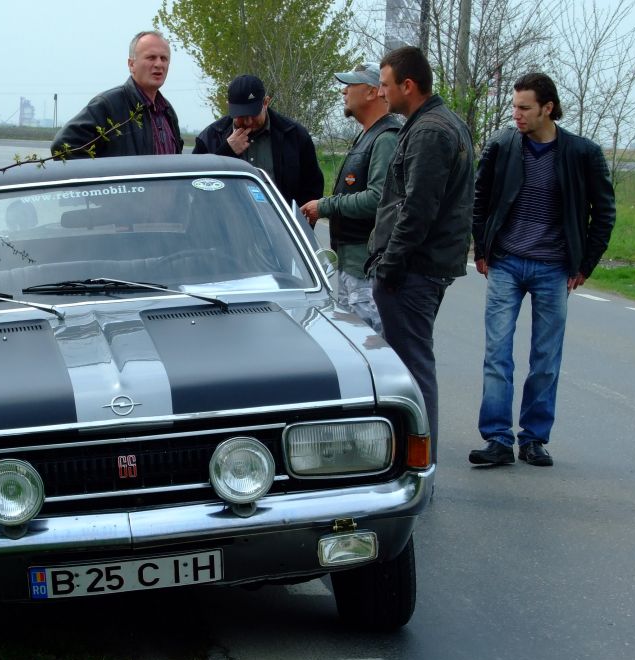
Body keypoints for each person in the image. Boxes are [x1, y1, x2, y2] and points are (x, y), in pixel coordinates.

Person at [469, 73, 616, 468]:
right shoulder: (502, 146)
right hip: (506, 263)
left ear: (547, 108)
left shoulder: (582, 154)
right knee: (497, 354)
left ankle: (533, 439)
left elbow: (604, 213)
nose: (516, 114)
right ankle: (498, 439)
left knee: (546, 357)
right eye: (514, 107)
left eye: (524, 108)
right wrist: (482, 248)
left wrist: (585, 265)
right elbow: (479, 199)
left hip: (554, 268)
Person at [367, 46, 474, 464]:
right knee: (413, 362)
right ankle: (415, 457)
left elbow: (417, 210)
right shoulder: (440, 123)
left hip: (414, 270)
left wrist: (389, 265)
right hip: (422, 267)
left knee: (412, 368)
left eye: (386, 84)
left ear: (407, 86)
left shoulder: (429, 131)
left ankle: (418, 462)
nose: (382, 91)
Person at [301, 62, 399, 333]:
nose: (344, 92)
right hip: (351, 267)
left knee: (368, 345)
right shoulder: (366, 136)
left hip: (365, 269)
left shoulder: (386, 138)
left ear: (371, 92)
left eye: (350, 85)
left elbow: (379, 198)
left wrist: (325, 206)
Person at [193, 74, 324, 207]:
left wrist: (299, 224)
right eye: (241, 115)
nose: (248, 121)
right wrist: (226, 151)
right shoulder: (211, 137)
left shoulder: (294, 135)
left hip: (278, 225)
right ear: (229, 107)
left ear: (266, 103)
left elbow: (312, 187)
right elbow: (194, 186)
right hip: (226, 224)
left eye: (253, 114)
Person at [51, 31, 183, 159]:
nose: (159, 64)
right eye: (151, 57)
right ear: (131, 64)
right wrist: (105, 179)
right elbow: (63, 147)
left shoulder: (167, 112)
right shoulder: (109, 105)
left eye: (164, 58)